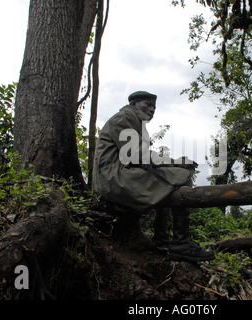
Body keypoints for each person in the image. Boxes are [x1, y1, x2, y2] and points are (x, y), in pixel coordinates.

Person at [92, 90, 215, 263]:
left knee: (167, 183)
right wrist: (174, 162)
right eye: (148, 104)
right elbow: (136, 155)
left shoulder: (137, 123)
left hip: (119, 173)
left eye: (154, 107)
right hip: (112, 176)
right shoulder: (125, 118)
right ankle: (182, 242)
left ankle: (162, 239)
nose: (152, 110)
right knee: (182, 175)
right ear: (134, 104)